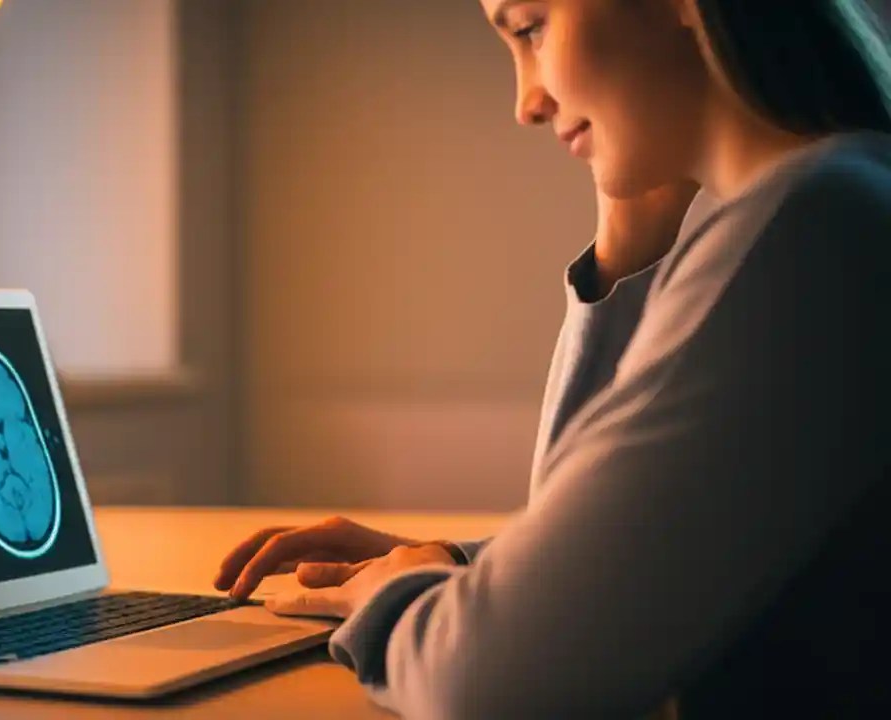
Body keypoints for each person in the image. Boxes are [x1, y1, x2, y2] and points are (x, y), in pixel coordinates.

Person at [212, 0, 891, 716]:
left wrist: (390, 594)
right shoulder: (844, 196)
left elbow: (492, 684)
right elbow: (610, 578)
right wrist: (474, 568)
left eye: (530, 28)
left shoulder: (813, 235)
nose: (526, 103)